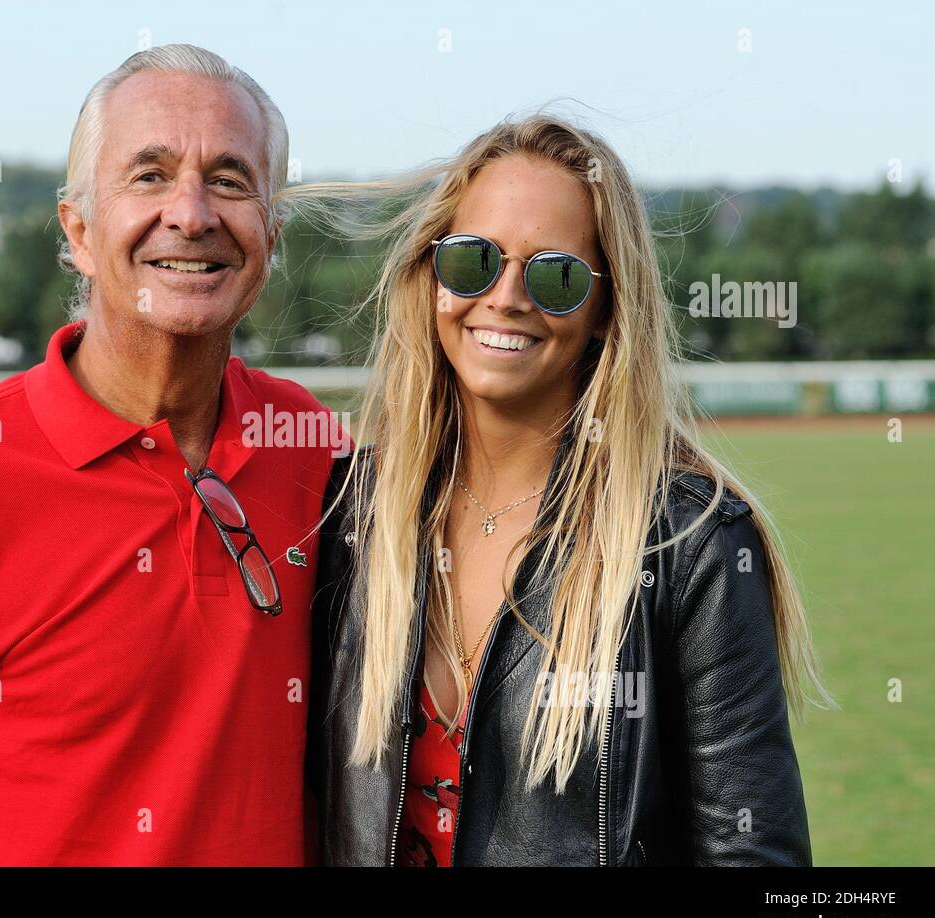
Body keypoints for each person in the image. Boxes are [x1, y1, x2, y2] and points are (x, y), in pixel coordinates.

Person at [0, 44, 343, 865]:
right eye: (149, 175)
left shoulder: (315, 452)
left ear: (271, 233)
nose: (191, 214)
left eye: (229, 180)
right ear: (79, 231)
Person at [308, 115, 834, 866]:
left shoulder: (694, 547)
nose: (506, 297)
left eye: (554, 276)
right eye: (472, 261)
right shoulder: (352, 513)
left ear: (603, 312)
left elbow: (755, 856)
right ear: (432, 278)